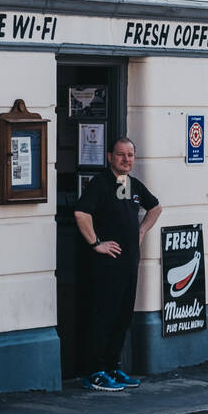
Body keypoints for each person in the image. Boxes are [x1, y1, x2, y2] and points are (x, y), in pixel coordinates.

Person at [74, 136, 162, 391]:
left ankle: (113, 366)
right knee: (103, 316)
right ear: (110, 157)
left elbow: (155, 208)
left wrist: (142, 231)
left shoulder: (132, 185)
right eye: (121, 155)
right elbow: (81, 213)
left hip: (129, 263)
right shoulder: (100, 184)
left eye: (130, 155)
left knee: (122, 317)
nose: (126, 159)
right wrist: (96, 243)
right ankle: (95, 372)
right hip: (106, 264)